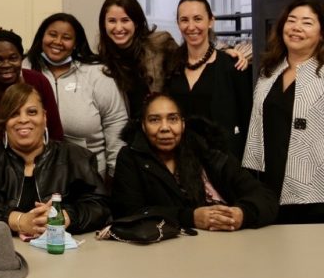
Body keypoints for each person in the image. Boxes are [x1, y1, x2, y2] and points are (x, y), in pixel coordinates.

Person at [0, 83, 109, 237]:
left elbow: (100, 208)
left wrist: (64, 217)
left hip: (61, 251)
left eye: (32, 112)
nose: (23, 119)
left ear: (44, 117)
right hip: (0, 251)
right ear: (5, 123)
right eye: (14, 114)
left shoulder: (76, 157)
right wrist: (19, 220)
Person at [113, 93, 277, 231]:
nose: (165, 128)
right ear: (143, 126)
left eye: (173, 119)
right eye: (154, 120)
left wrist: (242, 214)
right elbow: (129, 214)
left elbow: (265, 198)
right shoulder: (131, 157)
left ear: (183, 124)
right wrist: (190, 218)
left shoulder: (208, 152)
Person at [97, 0, 245, 120]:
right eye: (112, 21)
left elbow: (192, 53)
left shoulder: (159, 44)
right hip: (127, 135)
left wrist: (225, 52)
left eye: (125, 20)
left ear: (135, 22)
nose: (118, 28)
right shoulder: (101, 62)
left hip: (162, 131)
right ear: (104, 25)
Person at [243, 0, 324, 224]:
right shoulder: (269, 71)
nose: (296, 27)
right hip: (269, 184)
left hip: (314, 191)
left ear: (321, 33)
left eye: (307, 23)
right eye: (291, 20)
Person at [24, 13, 127, 179]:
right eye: (52, 34)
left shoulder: (97, 72)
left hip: (89, 172)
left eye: (66, 37)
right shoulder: (25, 69)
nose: (57, 42)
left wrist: (115, 171)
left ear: (75, 44)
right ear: (41, 37)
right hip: (37, 172)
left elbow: (115, 122)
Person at [166, 0, 252, 159]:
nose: (191, 26)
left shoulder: (232, 65)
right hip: (179, 158)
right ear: (178, 24)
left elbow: (247, 120)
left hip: (222, 162)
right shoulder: (171, 65)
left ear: (211, 21)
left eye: (198, 19)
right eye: (184, 20)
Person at [0, 28, 62, 150]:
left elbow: (55, 132)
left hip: (39, 157)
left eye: (13, 58)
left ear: (21, 58)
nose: (6, 65)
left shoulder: (39, 82)